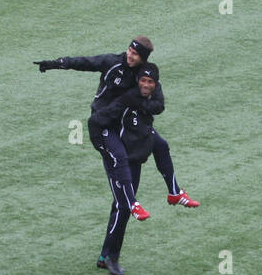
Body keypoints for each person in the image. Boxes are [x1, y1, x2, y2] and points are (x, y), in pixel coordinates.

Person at [34, 36, 199, 213]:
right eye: (130, 50)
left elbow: (158, 104)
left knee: (161, 145)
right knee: (119, 158)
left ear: (143, 58)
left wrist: (138, 104)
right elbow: (85, 62)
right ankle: (131, 203)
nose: (130, 55)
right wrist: (55, 64)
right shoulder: (112, 62)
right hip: (103, 121)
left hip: (125, 121)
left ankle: (174, 192)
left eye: (135, 54)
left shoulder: (144, 75)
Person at [92, 64, 163, 275]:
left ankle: (106, 255)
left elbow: (159, 105)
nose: (146, 84)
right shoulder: (124, 91)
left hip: (135, 157)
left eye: (151, 82)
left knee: (121, 206)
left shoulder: (150, 94)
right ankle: (111, 257)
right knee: (123, 205)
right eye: (143, 80)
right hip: (117, 156)